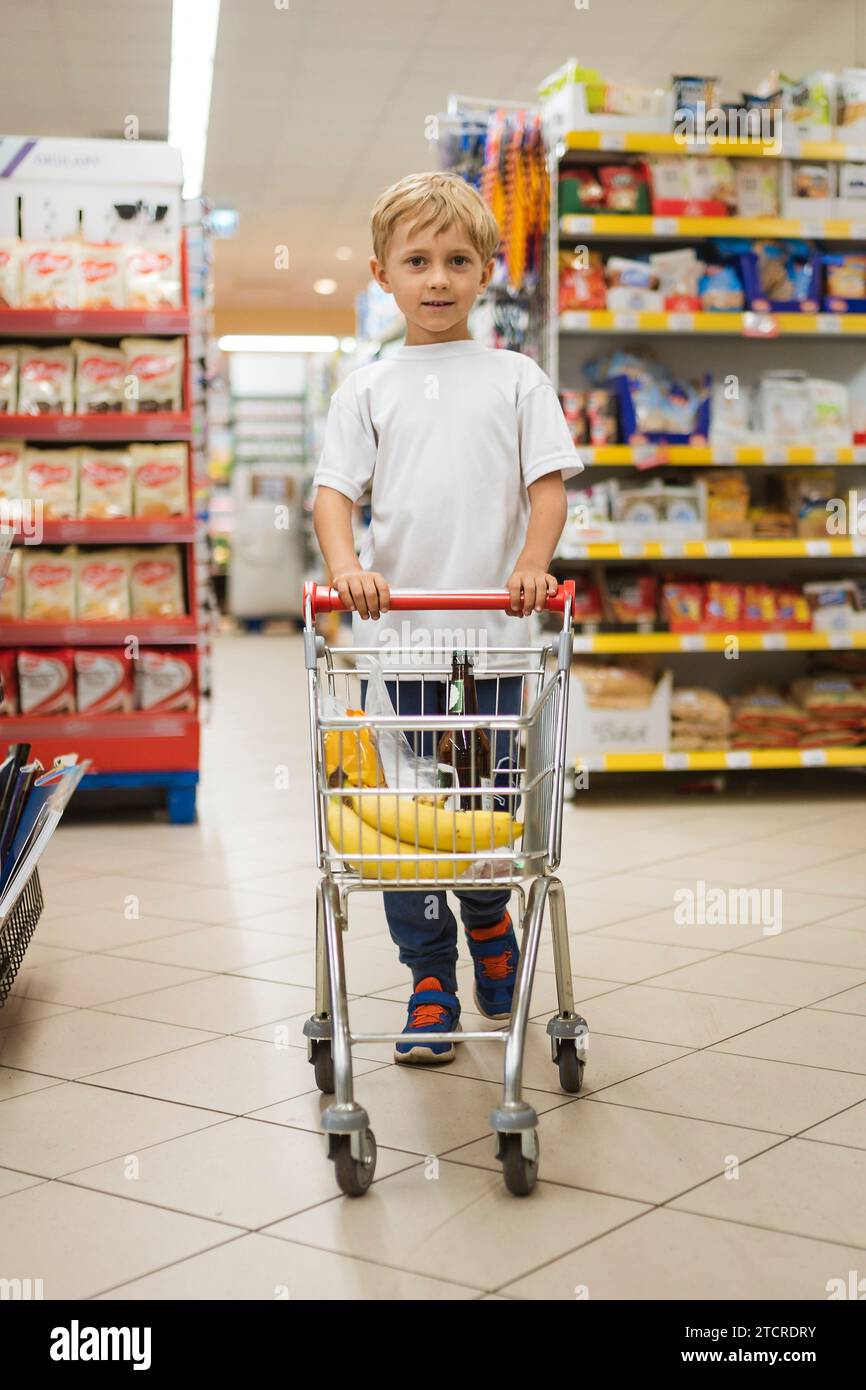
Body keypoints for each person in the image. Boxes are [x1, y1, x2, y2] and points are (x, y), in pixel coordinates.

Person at [312, 171, 582, 1064]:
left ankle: (491, 928)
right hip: (401, 650)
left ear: (486, 271)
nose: (437, 279)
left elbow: (546, 488)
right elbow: (333, 497)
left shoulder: (516, 377)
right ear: (382, 274)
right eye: (417, 261)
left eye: (457, 260)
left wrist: (531, 565)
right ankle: (430, 978)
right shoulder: (369, 386)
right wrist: (347, 567)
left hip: (496, 653)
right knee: (407, 827)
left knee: (483, 816)